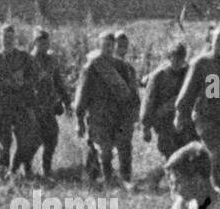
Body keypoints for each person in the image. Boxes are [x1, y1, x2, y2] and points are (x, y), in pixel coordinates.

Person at [174, 22, 220, 189]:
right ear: (212, 40)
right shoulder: (201, 63)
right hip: (206, 117)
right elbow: (187, 91)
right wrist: (180, 114)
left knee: (215, 153)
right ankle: (216, 186)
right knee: (216, 152)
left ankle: (194, 179)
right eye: (218, 39)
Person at [74, 31, 138, 188]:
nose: (108, 49)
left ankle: (124, 179)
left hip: (118, 115)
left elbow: (130, 92)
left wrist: (133, 114)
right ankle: (108, 181)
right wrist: (79, 119)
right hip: (98, 115)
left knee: (123, 148)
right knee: (105, 151)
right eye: (105, 45)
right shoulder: (92, 67)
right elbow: (82, 94)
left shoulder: (122, 66)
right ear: (100, 46)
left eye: (111, 45)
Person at [0, 21, 40, 179]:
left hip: (20, 106)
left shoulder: (24, 57)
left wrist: (23, 82)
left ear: (15, 39)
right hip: (0, 107)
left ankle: (15, 170)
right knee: (4, 144)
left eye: (11, 37)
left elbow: (35, 77)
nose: (8, 40)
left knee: (24, 141)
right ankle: (2, 176)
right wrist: (6, 83)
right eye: (4, 37)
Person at [29, 26, 70, 180]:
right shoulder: (28, 60)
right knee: (34, 140)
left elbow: (59, 82)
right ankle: (25, 168)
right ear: (35, 42)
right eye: (41, 43)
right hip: (33, 106)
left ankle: (46, 170)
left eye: (47, 43)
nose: (45, 46)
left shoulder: (51, 60)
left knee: (51, 138)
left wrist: (66, 101)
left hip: (49, 106)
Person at [141, 41, 191, 163]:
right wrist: (146, 127)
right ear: (169, 58)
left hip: (182, 120)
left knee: (186, 152)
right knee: (170, 152)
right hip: (164, 121)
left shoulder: (188, 73)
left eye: (181, 59)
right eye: (175, 58)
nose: (178, 62)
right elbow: (148, 101)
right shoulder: (159, 76)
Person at [110, 31, 141, 184]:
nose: (122, 48)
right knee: (103, 146)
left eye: (125, 45)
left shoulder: (129, 68)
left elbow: (134, 91)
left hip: (125, 114)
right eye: (119, 45)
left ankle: (125, 177)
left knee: (125, 146)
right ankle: (98, 176)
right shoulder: (106, 66)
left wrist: (137, 112)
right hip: (108, 113)